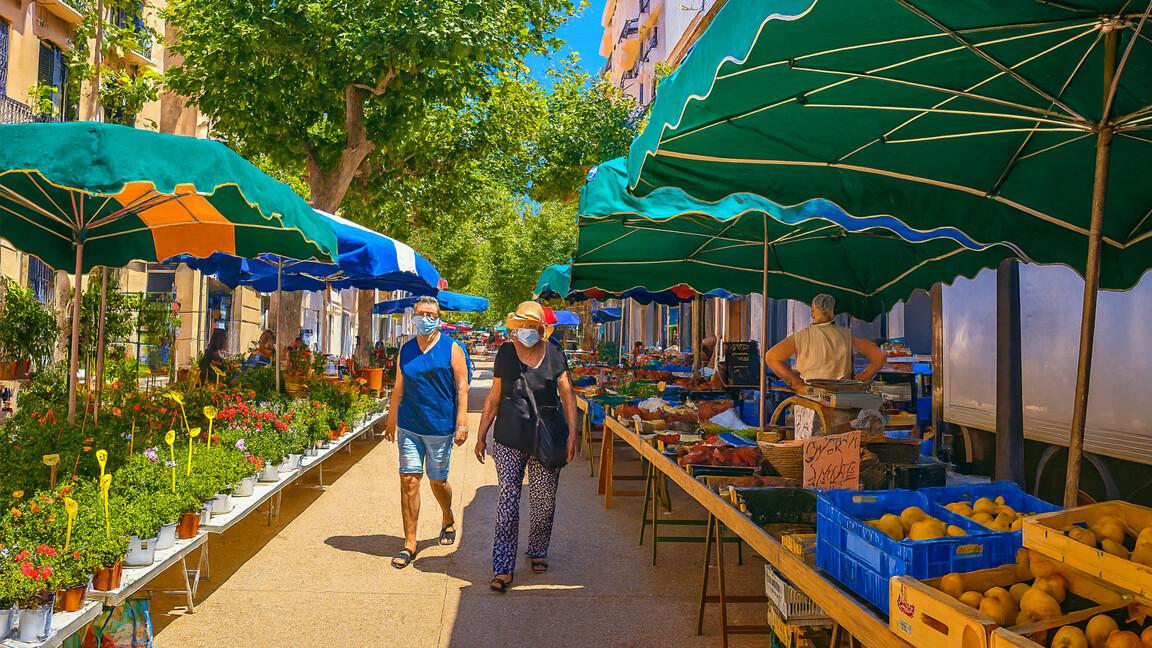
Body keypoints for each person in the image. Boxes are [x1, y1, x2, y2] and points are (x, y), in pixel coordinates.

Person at [474, 301, 580, 593]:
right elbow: (494, 396)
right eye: (523, 326)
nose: (527, 331)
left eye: (532, 326)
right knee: (508, 503)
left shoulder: (555, 354)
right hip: (509, 437)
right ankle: (503, 566)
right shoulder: (505, 353)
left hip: (546, 437)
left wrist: (573, 433)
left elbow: (568, 394)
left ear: (541, 330)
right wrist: (482, 434)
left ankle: (538, 548)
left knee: (544, 502)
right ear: (516, 328)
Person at [384, 296, 470, 569]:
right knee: (409, 480)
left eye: (431, 315)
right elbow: (399, 384)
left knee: (437, 481)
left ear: (438, 318)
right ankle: (410, 543)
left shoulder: (452, 348)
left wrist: (462, 421)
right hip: (409, 425)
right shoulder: (406, 349)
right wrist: (391, 417)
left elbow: (462, 386)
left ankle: (447, 517)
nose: (425, 319)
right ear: (413, 317)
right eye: (421, 313)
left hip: (439, 426)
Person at [763, 294, 887, 439]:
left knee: (810, 447)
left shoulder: (802, 336)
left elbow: (771, 357)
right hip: (843, 404)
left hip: (811, 401)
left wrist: (796, 383)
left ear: (818, 311)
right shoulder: (846, 336)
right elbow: (879, 357)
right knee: (842, 445)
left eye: (814, 309)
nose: (812, 313)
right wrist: (862, 378)